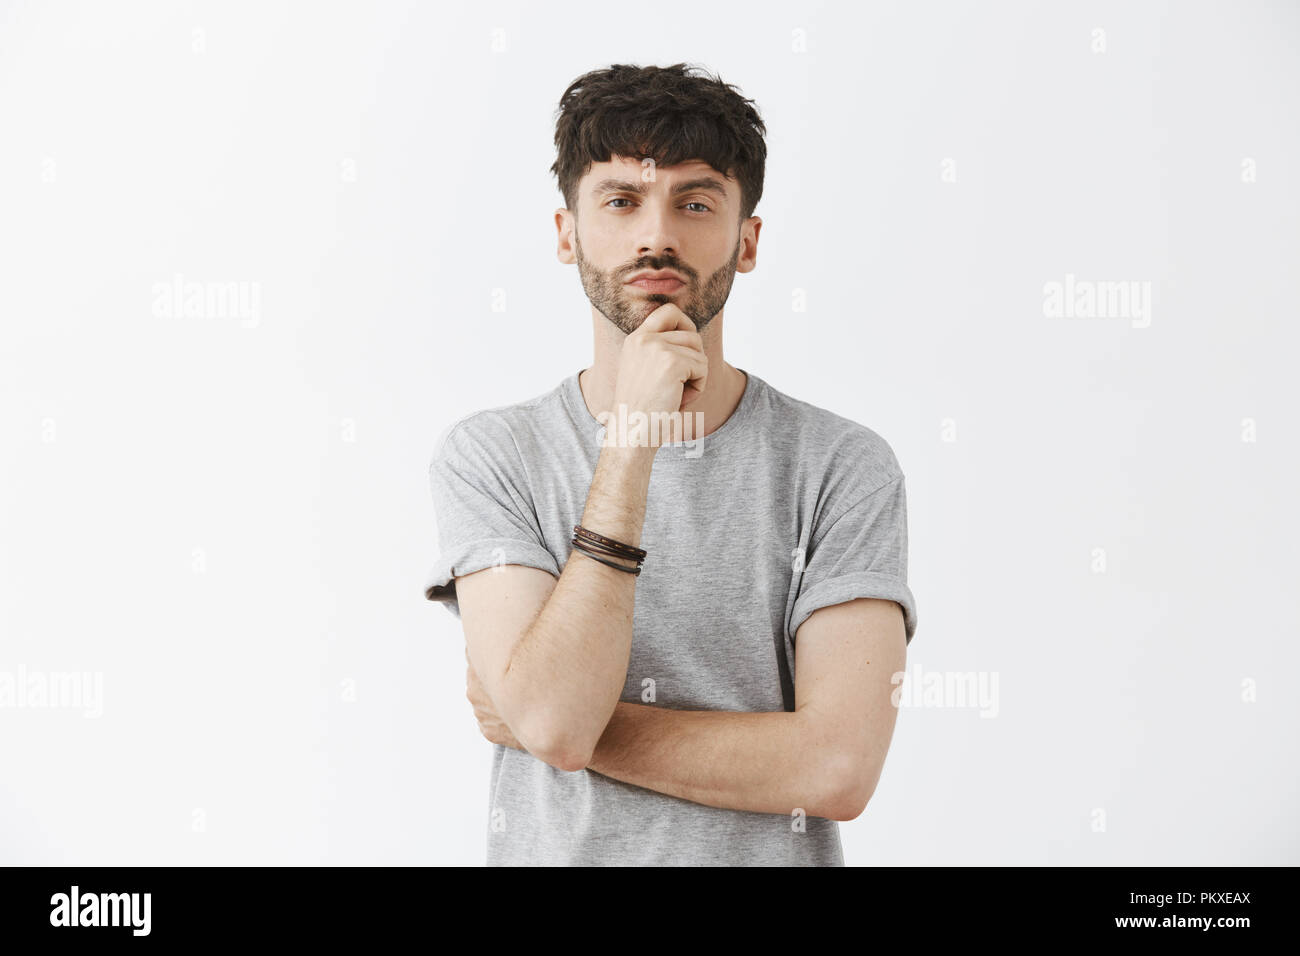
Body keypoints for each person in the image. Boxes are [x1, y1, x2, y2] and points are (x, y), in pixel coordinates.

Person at [424, 62, 917, 866]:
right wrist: (630, 444)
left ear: (746, 240)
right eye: (620, 201)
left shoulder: (841, 466)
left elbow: (838, 768)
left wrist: (564, 730)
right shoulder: (494, 456)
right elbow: (553, 719)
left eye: (695, 202)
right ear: (567, 234)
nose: (656, 236)